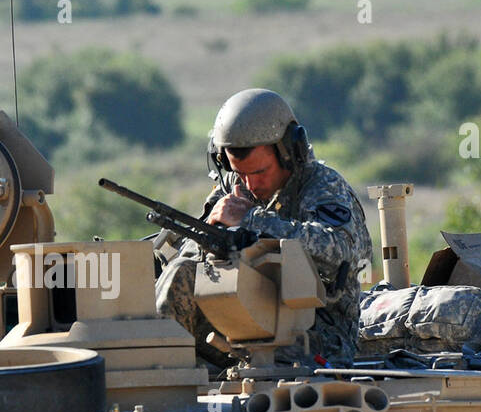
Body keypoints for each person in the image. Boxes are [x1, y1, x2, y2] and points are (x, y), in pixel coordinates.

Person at [155, 88, 373, 368]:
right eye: (240, 173)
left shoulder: (322, 186)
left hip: (313, 337)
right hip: (238, 322)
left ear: (288, 152)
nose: (250, 184)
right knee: (178, 275)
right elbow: (187, 265)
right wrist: (209, 240)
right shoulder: (233, 189)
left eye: (259, 172)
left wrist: (253, 219)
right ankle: (162, 377)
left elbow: (340, 252)